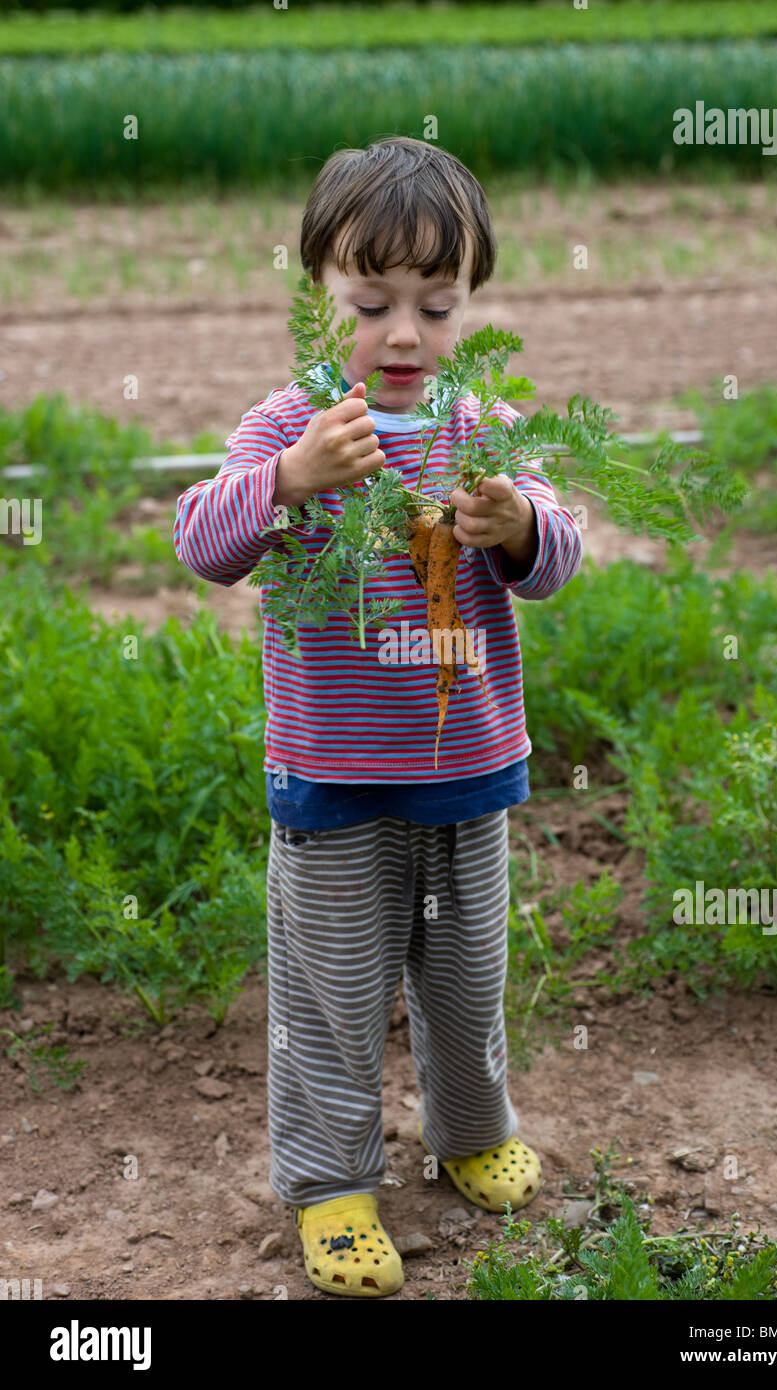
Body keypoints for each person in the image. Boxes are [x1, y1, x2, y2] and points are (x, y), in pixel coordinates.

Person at [174, 135, 582, 1298]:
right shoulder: (290, 426)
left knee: (465, 984)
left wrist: (517, 526)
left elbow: (559, 559)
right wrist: (294, 480)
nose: (403, 334)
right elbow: (203, 542)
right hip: (333, 779)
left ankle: (467, 1130)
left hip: (468, 774)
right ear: (317, 294)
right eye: (370, 301)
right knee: (330, 996)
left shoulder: (486, 428)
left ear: (468, 309)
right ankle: (329, 1181)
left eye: (436, 306)